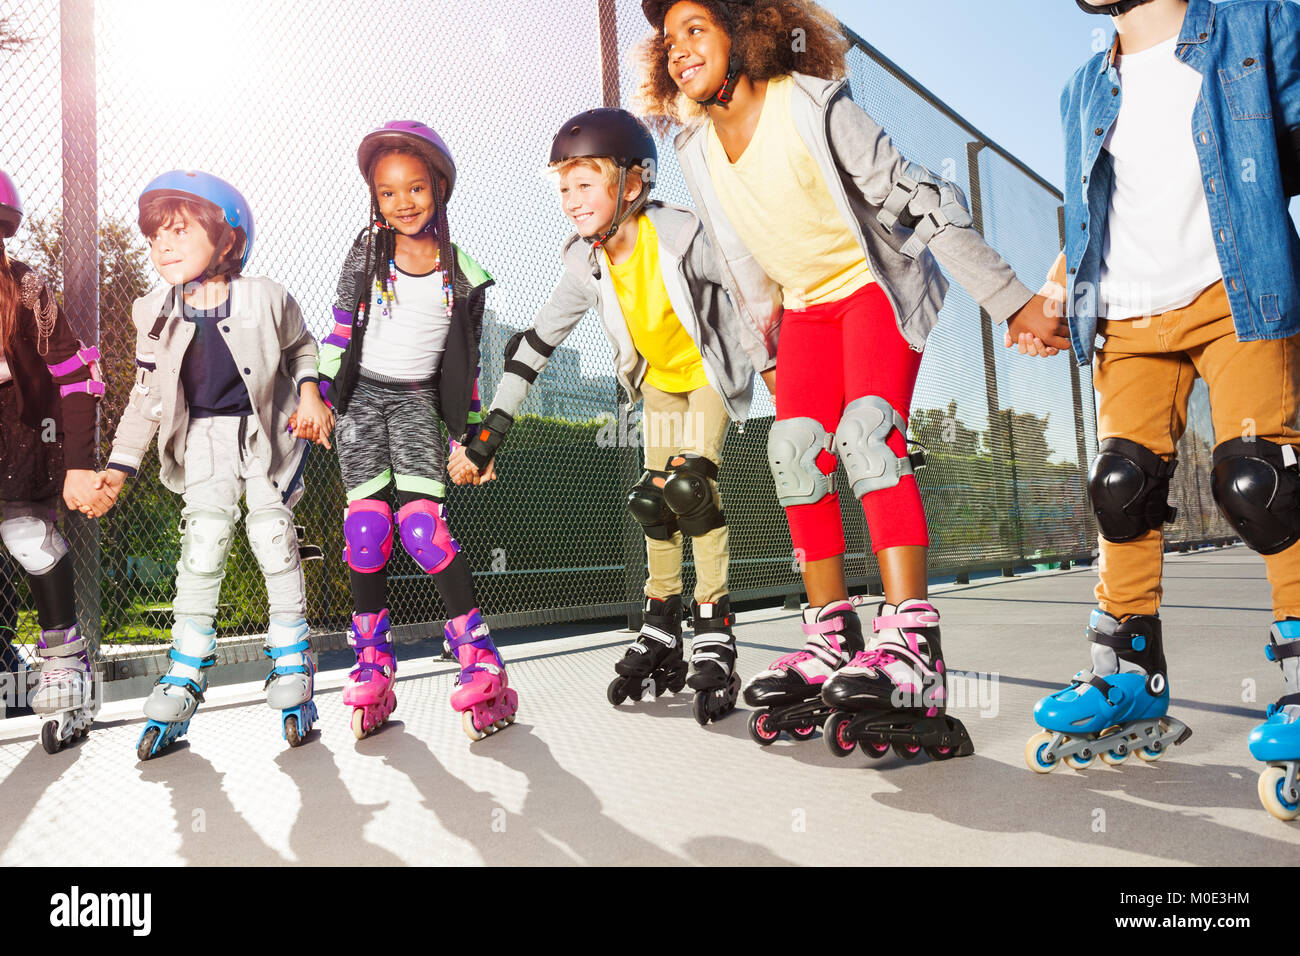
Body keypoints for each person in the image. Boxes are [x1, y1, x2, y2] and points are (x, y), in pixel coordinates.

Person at [636, 0, 1063, 756]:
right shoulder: (696, 146)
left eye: (696, 28)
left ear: (747, 29)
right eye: (669, 39)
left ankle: (913, 649)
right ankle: (831, 636)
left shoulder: (813, 108)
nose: (679, 50)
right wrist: (766, 352)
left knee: (868, 438)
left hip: (870, 289)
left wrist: (1012, 300)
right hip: (801, 312)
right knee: (794, 452)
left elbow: (919, 201)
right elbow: (740, 262)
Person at [1023, 0, 1300, 823]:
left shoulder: (1256, 23)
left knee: (1261, 482)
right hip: (1125, 309)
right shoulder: (1083, 86)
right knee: (1120, 486)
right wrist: (1051, 285)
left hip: (1237, 288)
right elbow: (1092, 204)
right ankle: (1129, 675)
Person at [452, 108, 772, 726]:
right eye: (564, 187)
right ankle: (661, 621)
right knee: (654, 500)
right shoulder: (586, 262)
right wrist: (489, 435)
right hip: (657, 384)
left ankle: (714, 624)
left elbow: (749, 290)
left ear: (631, 184)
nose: (571, 201)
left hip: (706, 374)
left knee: (692, 489)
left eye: (585, 184)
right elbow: (535, 345)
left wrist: (783, 377)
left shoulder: (681, 235)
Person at [94, 170, 329, 758]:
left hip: (267, 435)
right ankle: (186, 668)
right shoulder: (151, 309)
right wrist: (120, 467)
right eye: (154, 237)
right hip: (201, 439)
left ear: (227, 240)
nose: (162, 245)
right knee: (203, 545)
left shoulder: (267, 296)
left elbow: (302, 347)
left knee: (273, 535)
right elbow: (146, 398)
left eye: (178, 231)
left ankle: (290, 658)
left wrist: (308, 393)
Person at [316, 121, 517, 742]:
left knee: (424, 532)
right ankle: (372, 663)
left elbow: (470, 367)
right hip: (361, 403)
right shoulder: (367, 252)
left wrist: (472, 438)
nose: (402, 203)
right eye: (387, 193)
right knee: (366, 530)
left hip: (415, 406)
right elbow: (341, 328)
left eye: (416, 189)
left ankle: (480, 660)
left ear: (439, 189)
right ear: (375, 200)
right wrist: (317, 394)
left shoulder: (464, 274)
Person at [0, 168, 106, 750]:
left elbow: (77, 374)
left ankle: (66, 661)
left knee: (26, 535)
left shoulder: (26, 288)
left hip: (22, 424)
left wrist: (78, 462)